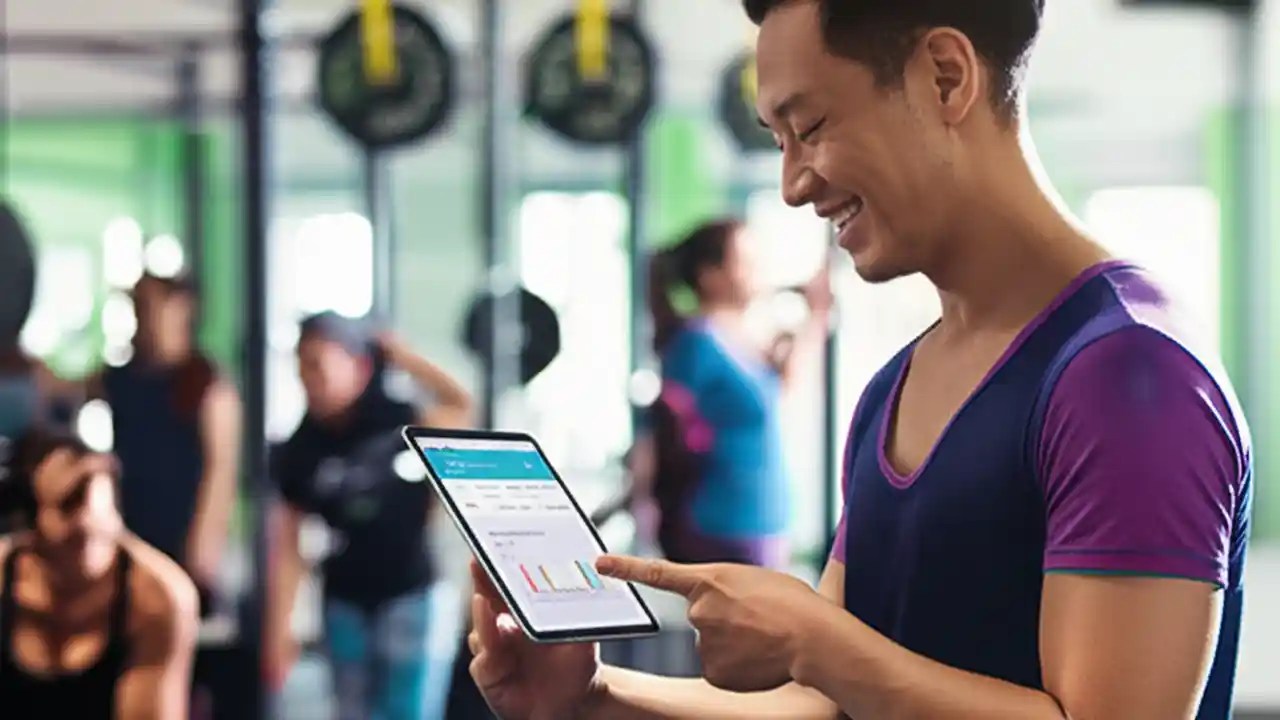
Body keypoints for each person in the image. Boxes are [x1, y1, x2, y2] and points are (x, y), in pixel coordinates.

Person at [466, 1, 1253, 719]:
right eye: (778, 143)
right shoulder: (894, 389)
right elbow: (819, 706)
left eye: (808, 129)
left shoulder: (1131, 373)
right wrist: (592, 695)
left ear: (945, 78)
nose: (792, 184)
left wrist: (822, 644)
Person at [266, 312, 473, 720]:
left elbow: (460, 404)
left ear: (358, 365)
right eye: (302, 367)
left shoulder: (401, 419)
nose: (310, 379)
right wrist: (280, 626)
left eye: (319, 365)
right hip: (345, 600)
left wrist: (404, 358)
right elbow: (289, 543)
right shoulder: (301, 447)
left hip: (411, 594)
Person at [637, 219, 830, 570]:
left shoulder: (747, 338)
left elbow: (784, 392)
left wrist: (816, 314)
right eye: (746, 261)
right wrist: (644, 506)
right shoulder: (696, 344)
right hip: (721, 523)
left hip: (763, 522)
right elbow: (658, 429)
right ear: (711, 276)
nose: (759, 270)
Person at [0, 431, 199, 718]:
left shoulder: (158, 597)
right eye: (69, 503)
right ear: (28, 528)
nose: (86, 521)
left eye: (92, 499)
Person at [97, 273, 241, 614]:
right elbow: (64, 390)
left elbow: (222, 468)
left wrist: (205, 542)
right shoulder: (121, 378)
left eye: (152, 305)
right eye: (138, 306)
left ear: (182, 309)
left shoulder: (206, 383)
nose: (144, 315)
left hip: (183, 536)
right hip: (131, 536)